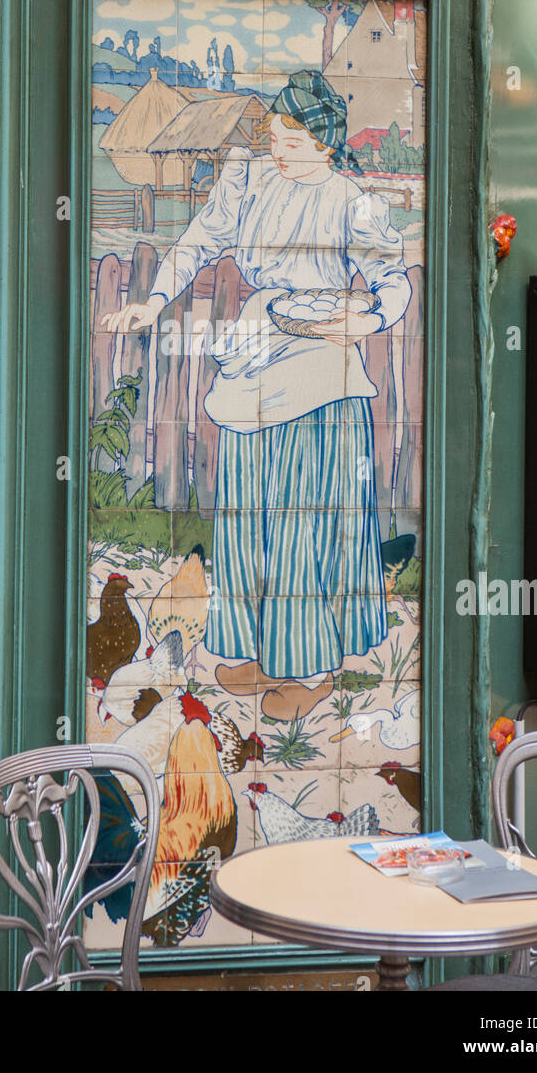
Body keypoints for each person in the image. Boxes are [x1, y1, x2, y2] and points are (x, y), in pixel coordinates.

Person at [102, 70, 412, 680]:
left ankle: (308, 665)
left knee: (304, 516)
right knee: (247, 508)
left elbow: (394, 282)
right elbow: (196, 242)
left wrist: (368, 317)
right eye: (277, 134)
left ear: (326, 145)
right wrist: (154, 300)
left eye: (294, 139)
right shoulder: (246, 183)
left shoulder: (352, 202)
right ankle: (255, 644)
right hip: (256, 349)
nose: (279, 147)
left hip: (323, 366)